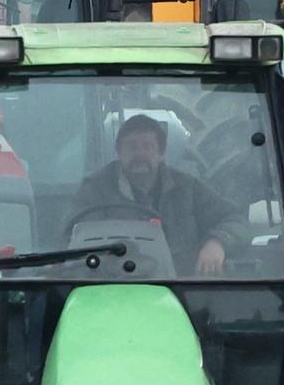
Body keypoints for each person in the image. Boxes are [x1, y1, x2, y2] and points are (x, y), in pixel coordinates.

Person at [72, 113, 247, 276]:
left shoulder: (187, 188)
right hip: (111, 287)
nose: (139, 154)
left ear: (161, 153)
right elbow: (72, 239)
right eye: (132, 147)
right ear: (119, 151)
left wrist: (217, 243)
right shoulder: (94, 190)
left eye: (148, 147)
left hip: (183, 288)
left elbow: (235, 219)